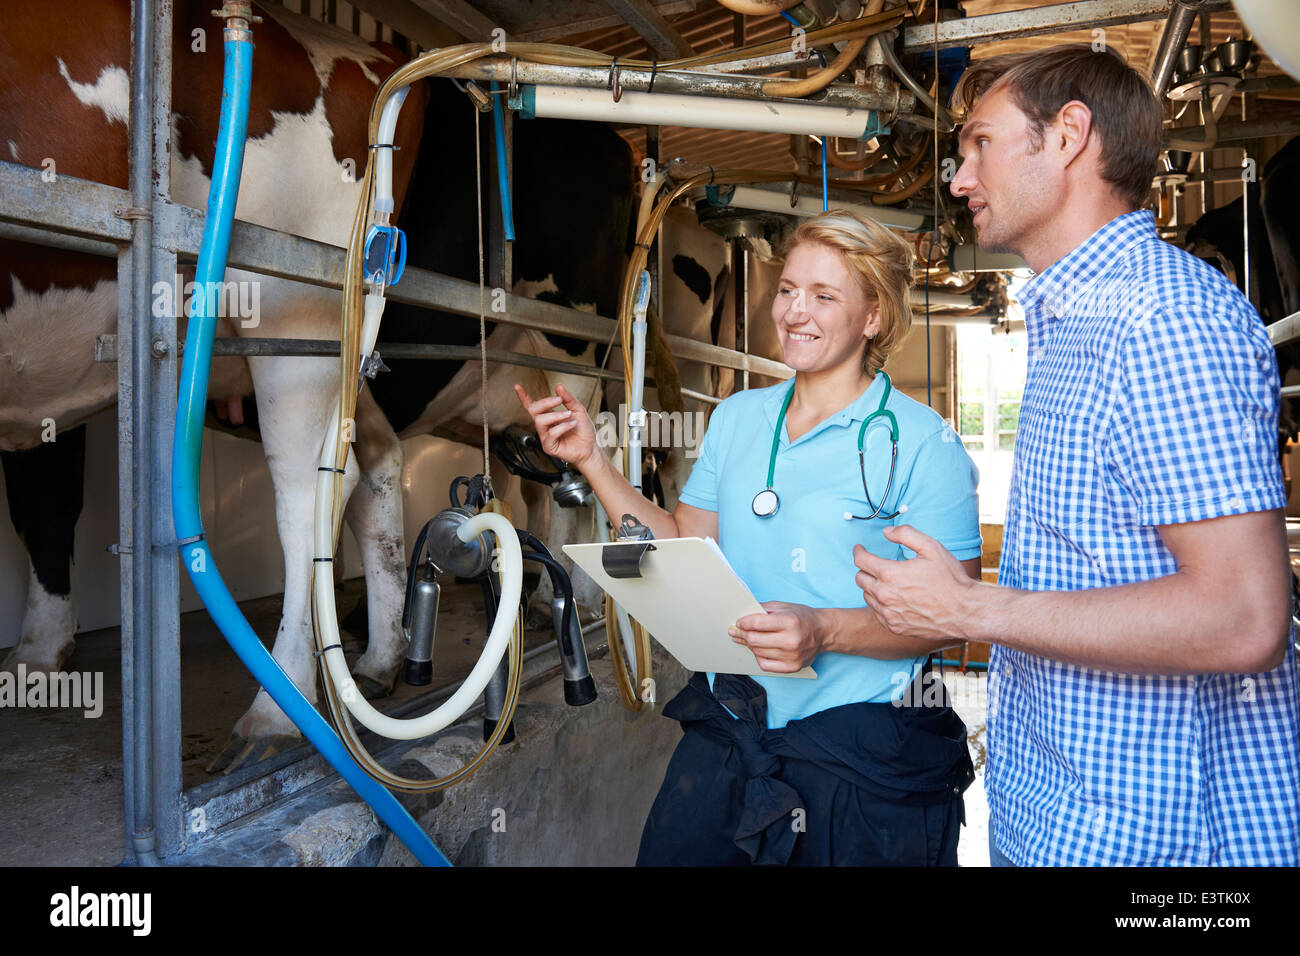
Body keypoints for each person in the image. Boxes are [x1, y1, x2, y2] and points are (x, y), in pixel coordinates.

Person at [853, 44, 1300, 866]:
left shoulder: (1163, 321)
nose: (958, 178)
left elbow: (1245, 618)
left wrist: (972, 611)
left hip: (1162, 850)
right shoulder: (1075, 323)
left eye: (979, 144)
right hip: (1071, 822)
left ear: (1068, 136)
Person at [516, 208, 983, 865]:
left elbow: (953, 618)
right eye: (788, 290)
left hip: (860, 751)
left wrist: (824, 630)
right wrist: (593, 461)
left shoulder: (924, 444)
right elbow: (683, 544)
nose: (795, 312)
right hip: (735, 726)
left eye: (824, 296)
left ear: (873, 315)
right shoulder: (737, 419)